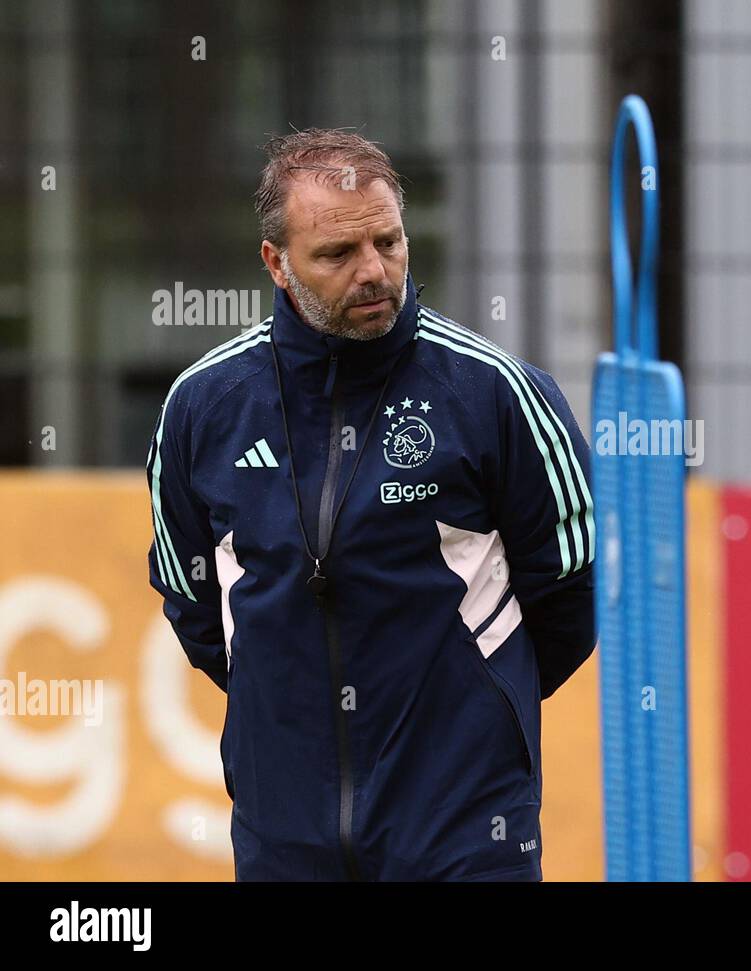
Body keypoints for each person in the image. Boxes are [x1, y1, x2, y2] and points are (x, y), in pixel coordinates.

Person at [146, 128, 595, 880]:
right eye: (337, 255)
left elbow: (573, 591)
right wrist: (286, 701)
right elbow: (194, 603)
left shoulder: (495, 391)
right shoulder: (204, 406)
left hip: (465, 827)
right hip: (283, 833)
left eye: (389, 241)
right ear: (276, 264)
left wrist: (476, 702)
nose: (374, 271)